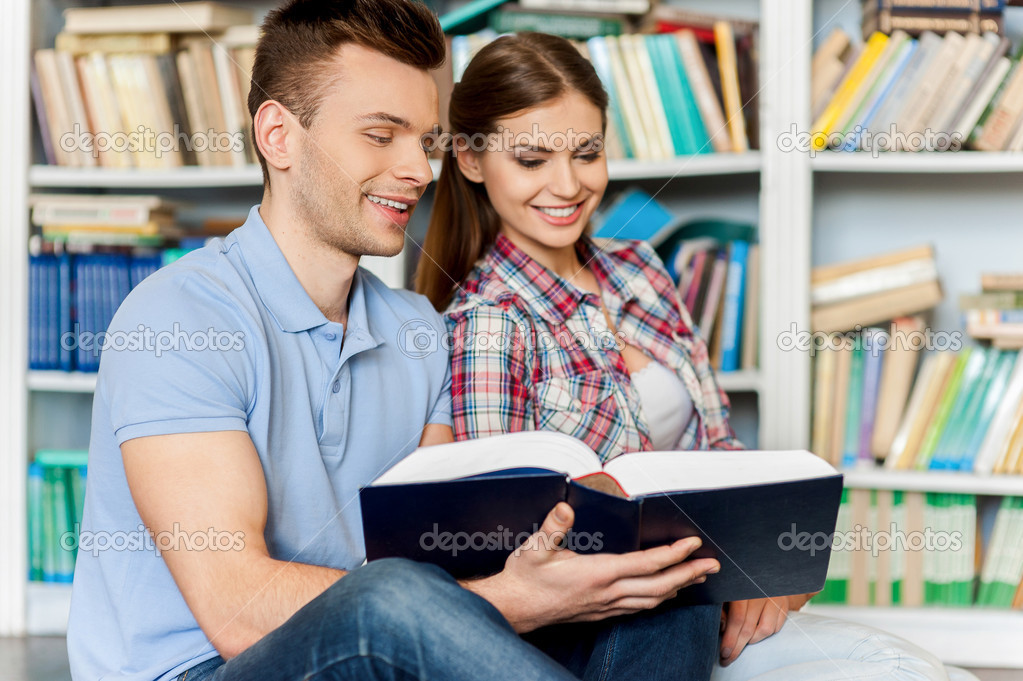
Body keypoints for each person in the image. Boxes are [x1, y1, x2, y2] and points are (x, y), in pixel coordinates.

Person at [66, 3, 723, 681]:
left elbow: (449, 554)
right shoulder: (177, 319)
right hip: (209, 667)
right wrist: (503, 600)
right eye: (381, 136)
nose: (420, 169)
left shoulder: (416, 328)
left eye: (426, 140)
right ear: (279, 136)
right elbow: (238, 608)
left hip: (387, 649)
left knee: (665, 592)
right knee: (390, 596)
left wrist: (540, 576)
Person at [416, 31, 975, 681]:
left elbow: (719, 448)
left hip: (702, 598)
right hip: (593, 634)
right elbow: (506, 544)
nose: (566, 185)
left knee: (914, 669)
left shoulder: (639, 269)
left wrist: (764, 570)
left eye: (586, 152)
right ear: (471, 159)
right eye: (532, 159)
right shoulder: (486, 320)